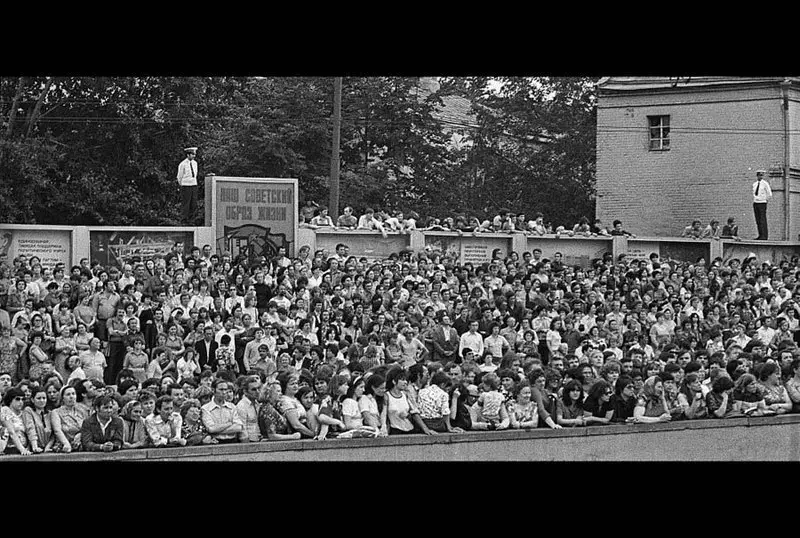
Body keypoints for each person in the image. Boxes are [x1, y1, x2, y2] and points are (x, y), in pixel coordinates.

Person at [1, 388, 31, 455]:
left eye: (22, 399)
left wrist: (27, 448)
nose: (21, 402)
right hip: (10, 449)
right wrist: (22, 449)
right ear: (10, 400)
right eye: (17, 399)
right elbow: (11, 431)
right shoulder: (5, 410)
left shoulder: (24, 413)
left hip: (25, 449)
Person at [22, 386, 52, 453]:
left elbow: (54, 434)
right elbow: (30, 428)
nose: (42, 400)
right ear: (32, 400)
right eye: (39, 398)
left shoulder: (50, 413)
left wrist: (48, 447)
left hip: (49, 449)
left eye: (44, 398)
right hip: (33, 449)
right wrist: (35, 446)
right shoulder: (28, 411)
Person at [177, 146, 199, 224]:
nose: (194, 156)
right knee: (186, 203)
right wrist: (182, 184)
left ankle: (191, 220)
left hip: (193, 184)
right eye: (192, 154)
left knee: (193, 203)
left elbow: (195, 174)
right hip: (186, 185)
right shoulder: (183, 164)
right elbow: (179, 176)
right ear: (188, 155)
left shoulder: (195, 163)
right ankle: (184, 220)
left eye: (194, 154)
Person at [752, 169, 772, 240]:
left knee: (762, 219)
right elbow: (754, 194)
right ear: (757, 176)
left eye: (761, 175)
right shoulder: (754, 184)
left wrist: (764, 200)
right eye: (759, 175)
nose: (760, 177)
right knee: (758, 220)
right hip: (756, 202)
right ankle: (760, 235)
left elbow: (769, 194)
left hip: (762, 203)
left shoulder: (765, 184)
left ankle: (764, 235)